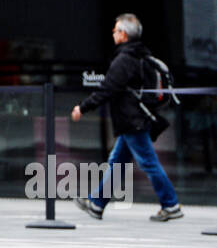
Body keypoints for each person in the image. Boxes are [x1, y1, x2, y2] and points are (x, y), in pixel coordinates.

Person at [71, 13, 182, 221]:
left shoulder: (124, 60)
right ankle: (96, 204)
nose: (113, 34)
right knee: (117, 162)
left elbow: (107, 89)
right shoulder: (140, 55)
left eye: (115, 31)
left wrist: (82, 108)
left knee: (148, 162)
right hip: (135, 119)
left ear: (123, 34)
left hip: (132, 121)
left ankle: (171, 204)